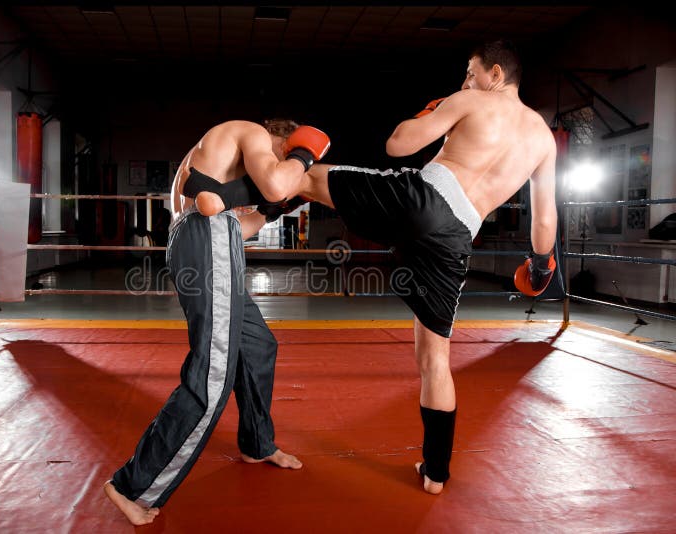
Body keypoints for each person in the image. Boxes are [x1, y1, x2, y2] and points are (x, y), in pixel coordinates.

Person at [190, 40, 558, 495]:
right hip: (457, 236)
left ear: (496, 75)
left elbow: (398, 144)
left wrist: (434, 111)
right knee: (435, 361)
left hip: (419, 202)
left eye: (470, 72)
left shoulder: (472, 100)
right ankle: (437, 474)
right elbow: (544, 222)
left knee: (305, 176)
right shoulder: (543, 140)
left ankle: (225, 207)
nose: (465, 81)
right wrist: (540, 267)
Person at [103, 119, 330, 526]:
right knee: (212, 375)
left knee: (258, 345)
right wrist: (303, 155)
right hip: (206, 244)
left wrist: (269, 211)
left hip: (210, 240)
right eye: (286, 156)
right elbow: (257, 191)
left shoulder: (219, 161)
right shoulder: (252, 134)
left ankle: (257, 443)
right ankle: (132, 487)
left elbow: (232, 222)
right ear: (282, 141)